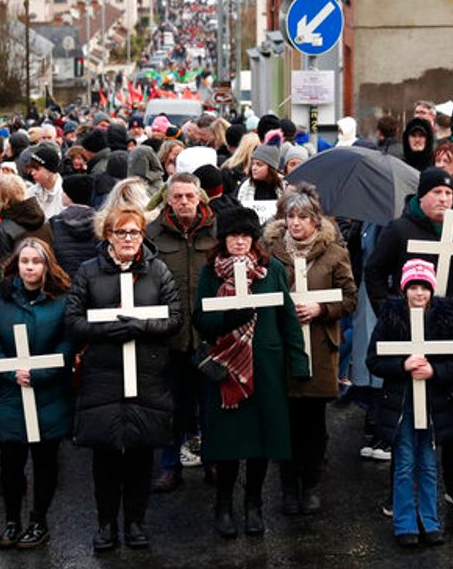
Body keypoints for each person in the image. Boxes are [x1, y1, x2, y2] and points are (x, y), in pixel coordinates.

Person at [65, 204, 182, 552]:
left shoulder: (158, 271)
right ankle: (105, 524)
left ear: (142, 235)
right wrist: (107, 329)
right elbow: (72, 319)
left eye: (134, 232)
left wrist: (141, 326)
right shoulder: (88, 271)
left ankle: (135, 522)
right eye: (120, 232)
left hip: (146, 372)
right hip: (103, 374)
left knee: (140, 455)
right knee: (105, 457)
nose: (128, 239)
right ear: (108, 236)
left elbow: (174, 318)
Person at [193, 209, 310, 538]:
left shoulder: (271, 269)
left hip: (266, 366)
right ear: (223, 240)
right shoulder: (211, 273)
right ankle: (224, 505)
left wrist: (298, 362)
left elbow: (287, 316)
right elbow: (200, 319)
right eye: (233, 236)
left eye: (245, 236)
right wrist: (231, 318)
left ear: (254, 239)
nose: (240, 242)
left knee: (262, 441)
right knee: (229, 443)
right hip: (227, 367)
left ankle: (253, 505)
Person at [264, 189, 356, 515]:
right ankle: (289, 487)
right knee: (286, 420)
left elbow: (349, 299)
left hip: (319, 346)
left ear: (316, 221)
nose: (296, 223)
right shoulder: (271, 252)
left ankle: (312, 484)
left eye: (303, 217)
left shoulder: (333, 253)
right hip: (282, 347)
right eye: (290, 216)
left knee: (314, 422)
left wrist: (320, 308)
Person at [0, 238, 74, 549]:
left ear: (47, 265)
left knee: (46, 462)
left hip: (49, 395)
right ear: (16, 265)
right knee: (11, 464)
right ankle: (12, 520)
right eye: (25, 261)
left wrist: (40, 373)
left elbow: (66, 343)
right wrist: (12, 372)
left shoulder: (61, 301)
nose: (30, 267)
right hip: (11, 395)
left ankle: (39, 520)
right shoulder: (1, 301)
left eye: (36, 261)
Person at [367, 260, 453, 547]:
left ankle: (429, 520)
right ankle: (405, 523)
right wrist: (402, 364)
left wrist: (435, 371)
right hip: (402, 404)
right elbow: (373, 359)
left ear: (432, 291)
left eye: (424, 287)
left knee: (427, 463)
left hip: (434, 404)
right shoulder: (391, 319)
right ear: (404, 289)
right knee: (405, 463)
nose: (419, 293)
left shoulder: (446, 320)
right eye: (413, 287)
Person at [143, 172, 218, 492]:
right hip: (170, 337)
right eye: (178, 197)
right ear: (168, 199)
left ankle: (214, 463)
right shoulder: (152, 234)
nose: (184, 202)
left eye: (190, 196)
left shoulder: (217, 230)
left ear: (199, 197)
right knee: (171, 406)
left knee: (211, 406)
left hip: (209, 335)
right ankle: (170, 465)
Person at [366, 168, 453, 303]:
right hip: (410, 317)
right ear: (421, 196)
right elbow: (374, 273)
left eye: (448, 193)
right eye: (437, 192)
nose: (443, 199)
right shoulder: (399, 230)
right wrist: (389, 313)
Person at [0, 174, 54, 269]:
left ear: (2, 198)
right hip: (44, 276)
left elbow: (0, 268)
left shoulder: (3, 229)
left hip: (17, 280)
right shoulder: (44, 219)